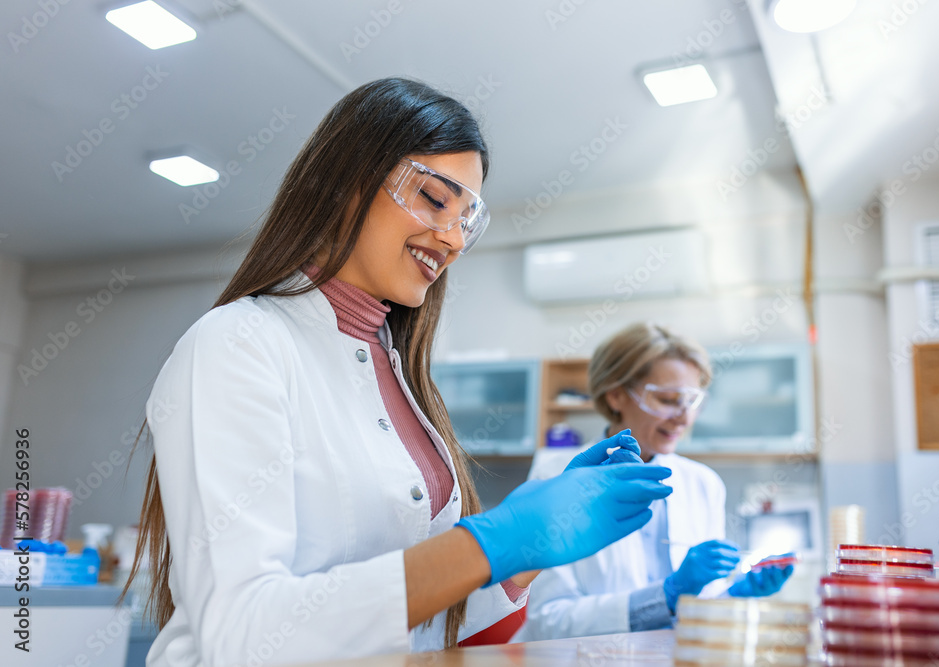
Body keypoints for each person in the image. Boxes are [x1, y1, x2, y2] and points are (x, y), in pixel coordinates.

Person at [119, 78, 673, 665]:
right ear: (346, 184)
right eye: (434, 199)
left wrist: (526, 554)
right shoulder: (239, 344)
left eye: (467, 219)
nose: (452, 239)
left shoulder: (400, 375)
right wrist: (495, 540)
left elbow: (424, 626)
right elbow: (243, 634)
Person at [515, 322, 794, 641]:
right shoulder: (555, 477)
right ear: (616, 395)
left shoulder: (703, 484)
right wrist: (666, 595)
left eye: (692, 401)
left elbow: (695, 610)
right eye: (668, 399)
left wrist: (733, 596)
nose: (684, 418)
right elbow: (548, 620)